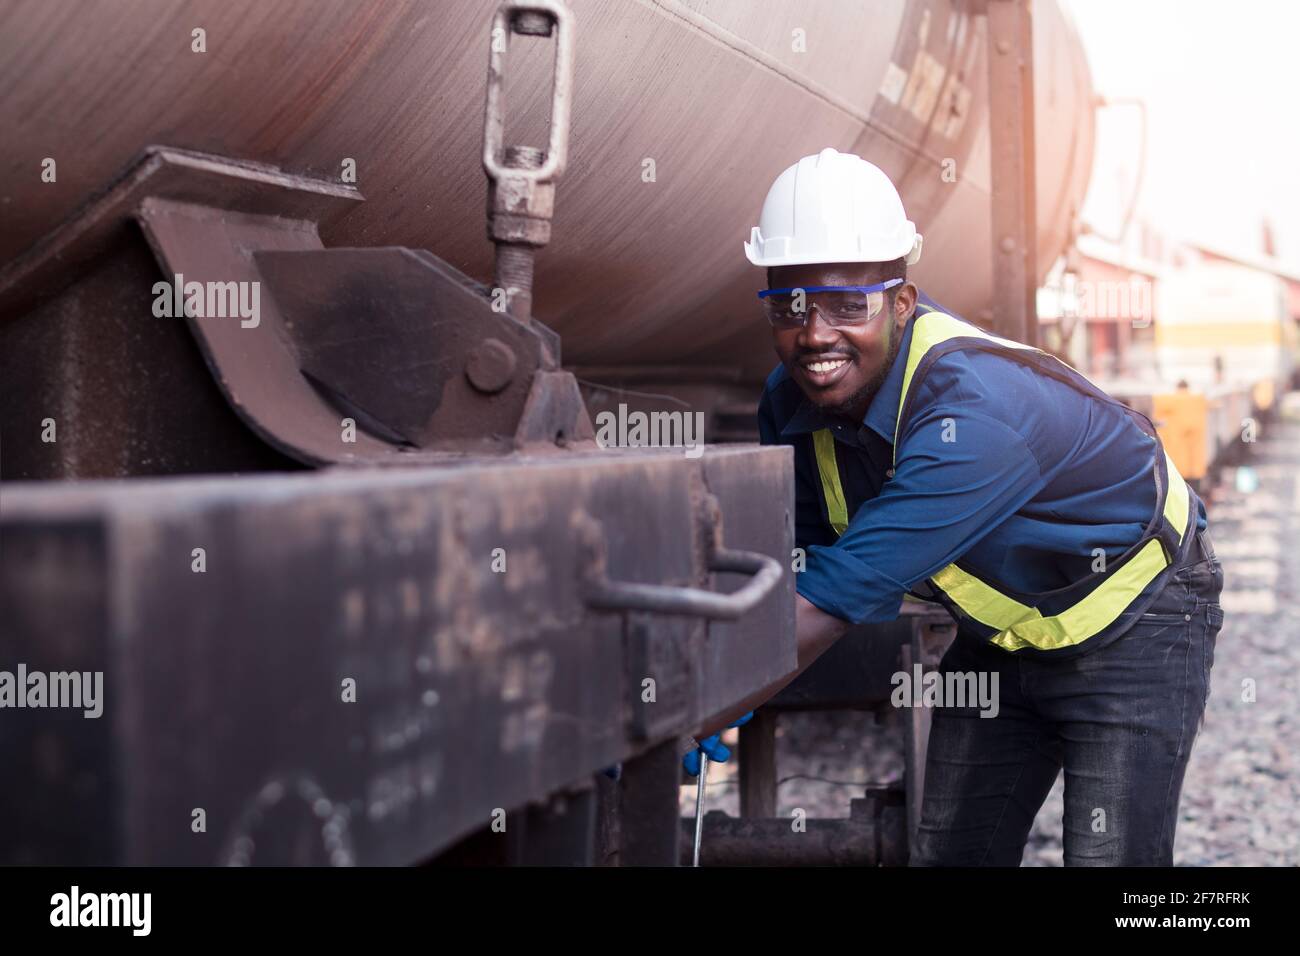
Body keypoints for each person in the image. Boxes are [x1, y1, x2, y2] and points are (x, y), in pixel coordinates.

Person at [687, 148, 1225, 866]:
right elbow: (804, 580)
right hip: (1004, 632)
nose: (815, 334)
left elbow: (833, 602)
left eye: (850, 305)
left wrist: (671, 718)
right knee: (949, 854)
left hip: (1138, 620)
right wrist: (729, 695)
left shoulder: (974, 416)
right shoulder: (789, 404)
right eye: (791, 305)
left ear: (902, 304)